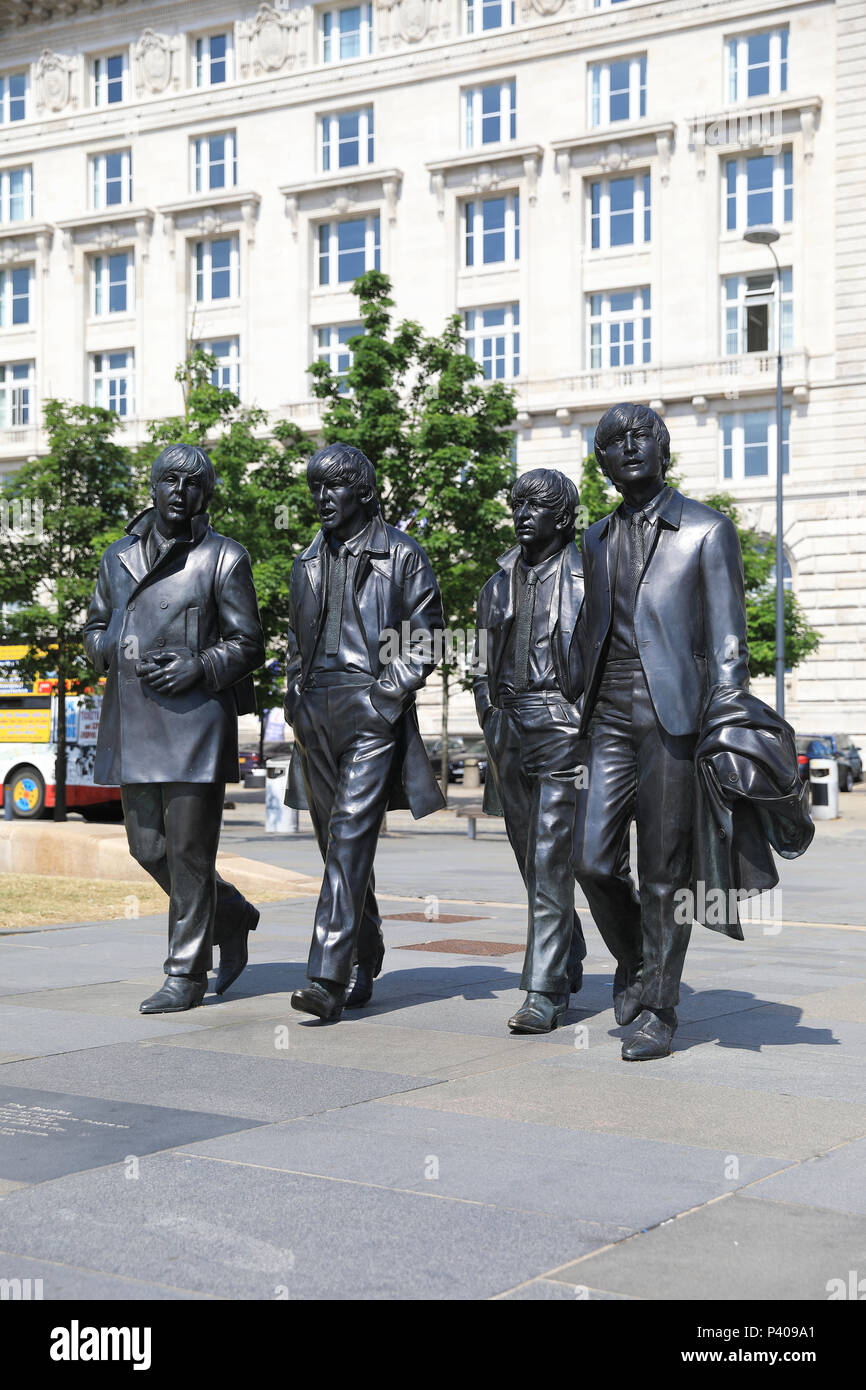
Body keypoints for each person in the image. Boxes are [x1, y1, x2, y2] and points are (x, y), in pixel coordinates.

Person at [573, 403, 749, 1060]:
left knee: (664, 868)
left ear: (663, 445)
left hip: (676, 711)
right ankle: (639, 961)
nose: (630, 446)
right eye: (615, 441)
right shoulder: (592, 539)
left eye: (642, 434)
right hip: (609, 711)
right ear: (604, 463)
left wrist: (727, 718)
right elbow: (588, 630)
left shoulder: (706, 530)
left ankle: (661, 1007)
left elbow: (730, 638)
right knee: (589, 859)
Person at [84, 443, 265, 1013]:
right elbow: (91, 629)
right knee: (147, 847)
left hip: (196, 724)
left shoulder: (223, 558)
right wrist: (110, 645)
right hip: (133, 720)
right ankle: (230, 912)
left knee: (188, 852)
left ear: (204, 494)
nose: (180, 492)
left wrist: (201, 663)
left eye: (193, 484)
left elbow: (248, 643)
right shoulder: (117, 560)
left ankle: (185, 973)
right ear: (154, 487)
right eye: (170, 481)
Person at [284, 444, 445, 1023]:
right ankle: (366, 951)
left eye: (334, 487)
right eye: (316, 489)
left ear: (363, 491)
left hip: (371, 706)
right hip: (314, 712)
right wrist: (292, 699)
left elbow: (427, 638)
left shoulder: (401, 554)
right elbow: (294, 641)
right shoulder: (305, 560)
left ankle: (326, 977)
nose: (323, 499)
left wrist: (386, 695)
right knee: (336, 842)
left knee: (351, 834)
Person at [473, 469, 589, 1033]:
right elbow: (481, 664)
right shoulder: (496, 584)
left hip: (564, 728)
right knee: (530, 859)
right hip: (509, 730)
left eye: (536, 506)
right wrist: (489, 717)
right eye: (517, 503)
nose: (522, 514)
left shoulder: (591, 574)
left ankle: (542, 991)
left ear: (563, 519)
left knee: (549, 858)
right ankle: (568, 948)